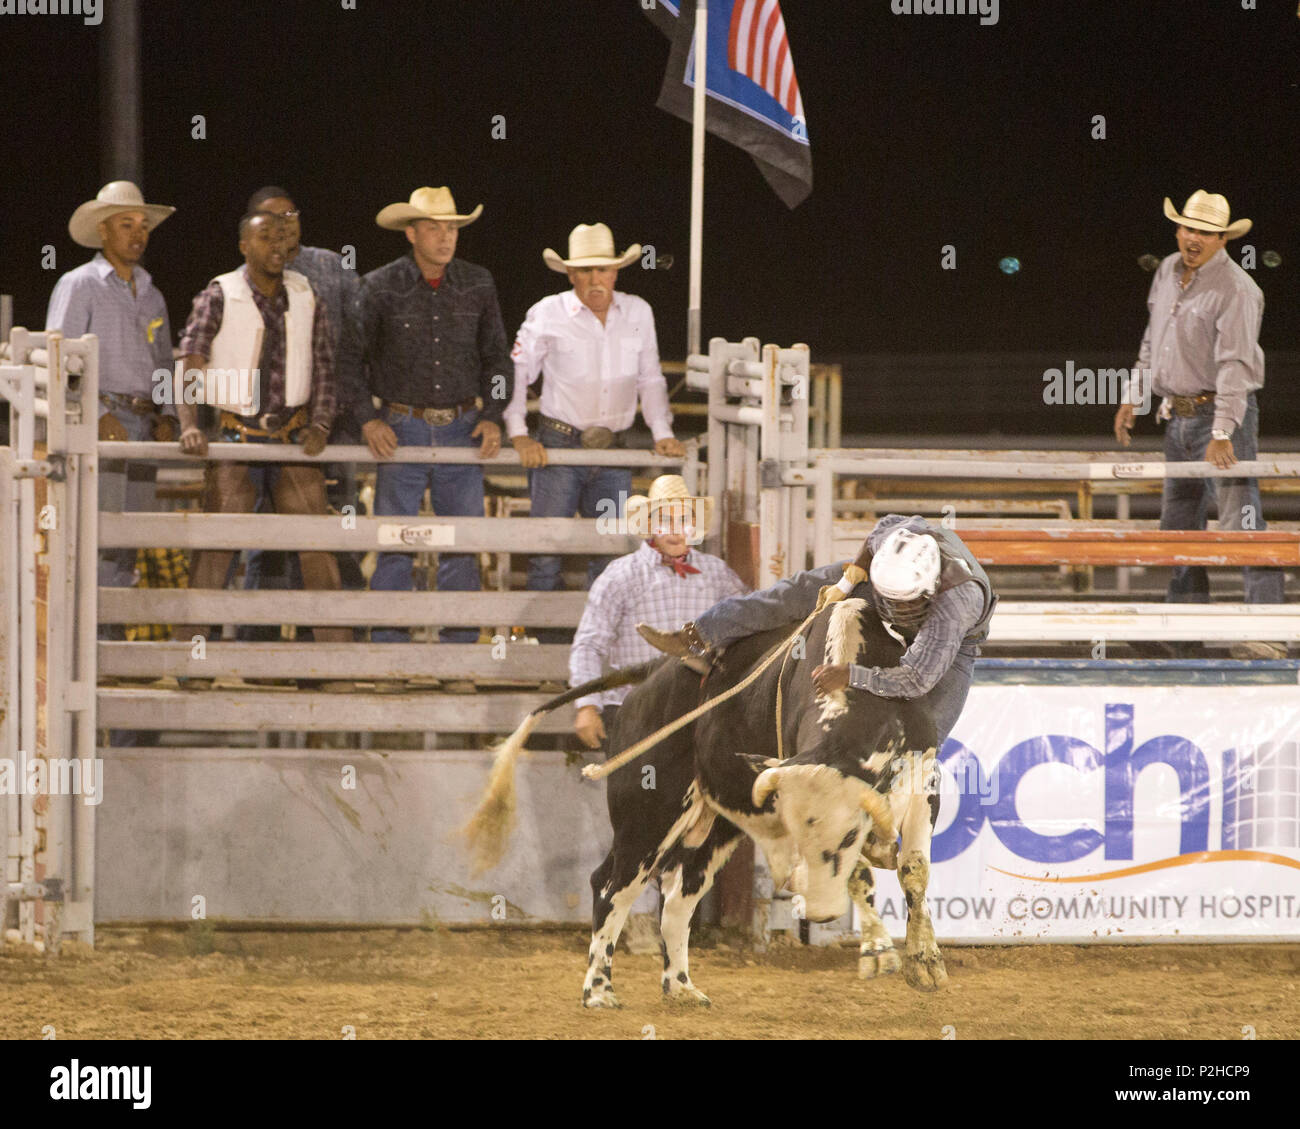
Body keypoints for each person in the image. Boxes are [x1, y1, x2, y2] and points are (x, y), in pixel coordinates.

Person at [639, 515, 997, 749]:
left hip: (954, 638)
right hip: (875, 586)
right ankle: (699, 636)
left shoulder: (956, 604)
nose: (898, 613)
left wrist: (850, 675)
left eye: (905, 604)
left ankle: (895, 821)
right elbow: (879, 529)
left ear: (930, 587)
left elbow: (916, 680)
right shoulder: (893, 544)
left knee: (924, 737)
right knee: (793, 593)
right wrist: (850, 579)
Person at [569, 475, 745, 951]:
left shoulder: (718, 575)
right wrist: (587, 704)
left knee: (694, 813)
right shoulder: (623, 576)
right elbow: (591, 640)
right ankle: (638, 912)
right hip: (640, 715)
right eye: (667, 519)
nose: (677, 527)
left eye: (685, 518)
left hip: (701, 715)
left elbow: (745, 628)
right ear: (649, 525)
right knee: (644, 815)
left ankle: (675, 917)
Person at [1113, 190, 1284, 659]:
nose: (1194, 238)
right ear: (1178, 229)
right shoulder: (1168, 270)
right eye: (1189, 228)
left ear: (1222, 239)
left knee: (1240, 517)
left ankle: (1268, 628)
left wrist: (1223, 430)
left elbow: (1235, 365)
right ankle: (1185, 628)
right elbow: (1154, 340)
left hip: (1221, 414)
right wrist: (1134, 396)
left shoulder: (1238, 289)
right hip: (1179, 415)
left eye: (1205, 232)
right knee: (1179, 526)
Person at [339, 186, 511, 644]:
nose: (446, 237)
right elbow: (348, 359)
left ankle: (456, 653)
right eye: (435, 228)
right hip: (401, 425)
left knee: (462, 546)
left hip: (461, 425)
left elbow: (498, 358)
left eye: (452, 227)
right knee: (396, 543)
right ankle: (390, 650)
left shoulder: (477, 283)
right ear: (412, 233)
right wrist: (368, 420)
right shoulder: (378, 286)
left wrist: (492, 414)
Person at [174, 211, 350, 645]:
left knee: (316, 547)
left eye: (281, 238)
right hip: (238, 433)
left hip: (291, 435)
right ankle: (184, 661)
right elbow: (191, 359)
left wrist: (322, 424)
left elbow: (325, 365)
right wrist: (189, 424)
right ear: (244, 246)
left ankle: (337, 659)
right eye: (264, 237)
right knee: (217, 548)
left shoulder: (305, 293)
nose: (275, 245)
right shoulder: (221, 293)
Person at [505, 222, 686, 641]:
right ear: (570, 275)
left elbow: (651, 377)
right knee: (547, 551)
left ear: (616, 272)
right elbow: (517, 372)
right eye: (585, 272)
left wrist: (661, 430)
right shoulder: (547, 312)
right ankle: (543, 645)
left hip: (613, 453)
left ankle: (599, 642)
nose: (595, 280)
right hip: (557, 447)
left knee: (608, 552)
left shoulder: (638, 311)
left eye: (602, 270)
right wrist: (518, 431)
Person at [47, 180, 177, 746]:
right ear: (104, 232)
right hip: (108, 424)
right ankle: (92, 669)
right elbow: (60, 357)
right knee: (98, 543)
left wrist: (170, 413)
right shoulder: (79, 284)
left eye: (142, 225)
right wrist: (92, 409)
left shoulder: (151, 294)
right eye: (127, 224)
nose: (138, 233)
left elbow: (164, 358)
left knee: (124, 543)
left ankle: (110, 667)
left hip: (142, 427)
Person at [240, 187, 364, 630]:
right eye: (271, 220)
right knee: (266, 537)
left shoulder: (331, 266)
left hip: (332, 427)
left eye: (290, 214)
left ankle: (330, 648)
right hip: (266, 427)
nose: (283, 225)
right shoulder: (242, 280)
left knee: (335, 532)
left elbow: (357, 338)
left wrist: (343, 411)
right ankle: (260, 647)